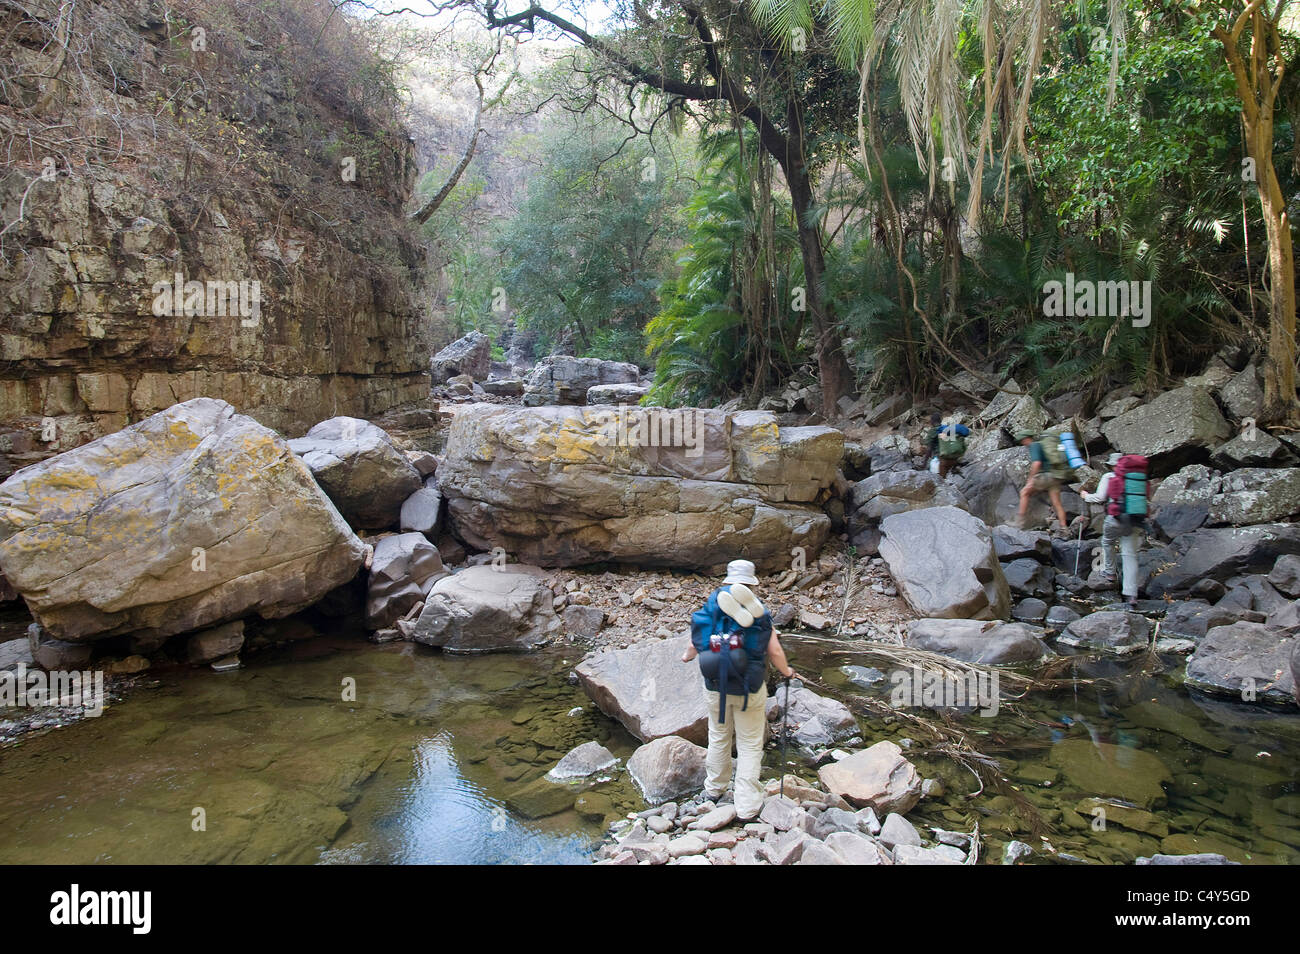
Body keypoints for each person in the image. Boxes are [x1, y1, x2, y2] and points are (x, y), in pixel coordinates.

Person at [681, 559, 798, 822]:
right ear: (751, 583)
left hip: (716, 686)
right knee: (749, 744)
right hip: (749, 687)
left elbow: (694, 642)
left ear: (727, 581)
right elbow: (775, 650)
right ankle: (746, 805)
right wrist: (787, 672)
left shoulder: (710, 608)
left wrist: (686, 656)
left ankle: (714, 789)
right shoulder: (760, 613)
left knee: (719, 736)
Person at [1081, 452, 1144, 608]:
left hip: (1115, 519)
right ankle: (1131, 595)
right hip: (1135, 519)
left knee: (1107, 542)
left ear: (1112, 465)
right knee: (1129, 555)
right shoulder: (1137, 478)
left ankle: (1110, 573)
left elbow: (1100, 497)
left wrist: (1085, 496)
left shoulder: (1109, 477)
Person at [1014, 429, 1070, 531]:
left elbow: (1037, 463)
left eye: (1022, 440)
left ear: (1027, 439)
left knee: (1024, 492)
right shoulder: (1043, 444)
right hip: (1056, 476)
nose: (1022, 443)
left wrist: (1030, 479)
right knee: (1057, 503)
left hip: (1045, 477)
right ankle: (1064, 528)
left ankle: (1019, 522)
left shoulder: (1034, 446)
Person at [924, 412, 971, 478]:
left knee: (940, 482)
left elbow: (929, 449)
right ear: (940, 421)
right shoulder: (947, 429)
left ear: (931, 422)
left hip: (942, 460)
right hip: (955, 458)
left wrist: (924, 463)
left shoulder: (933, 431)